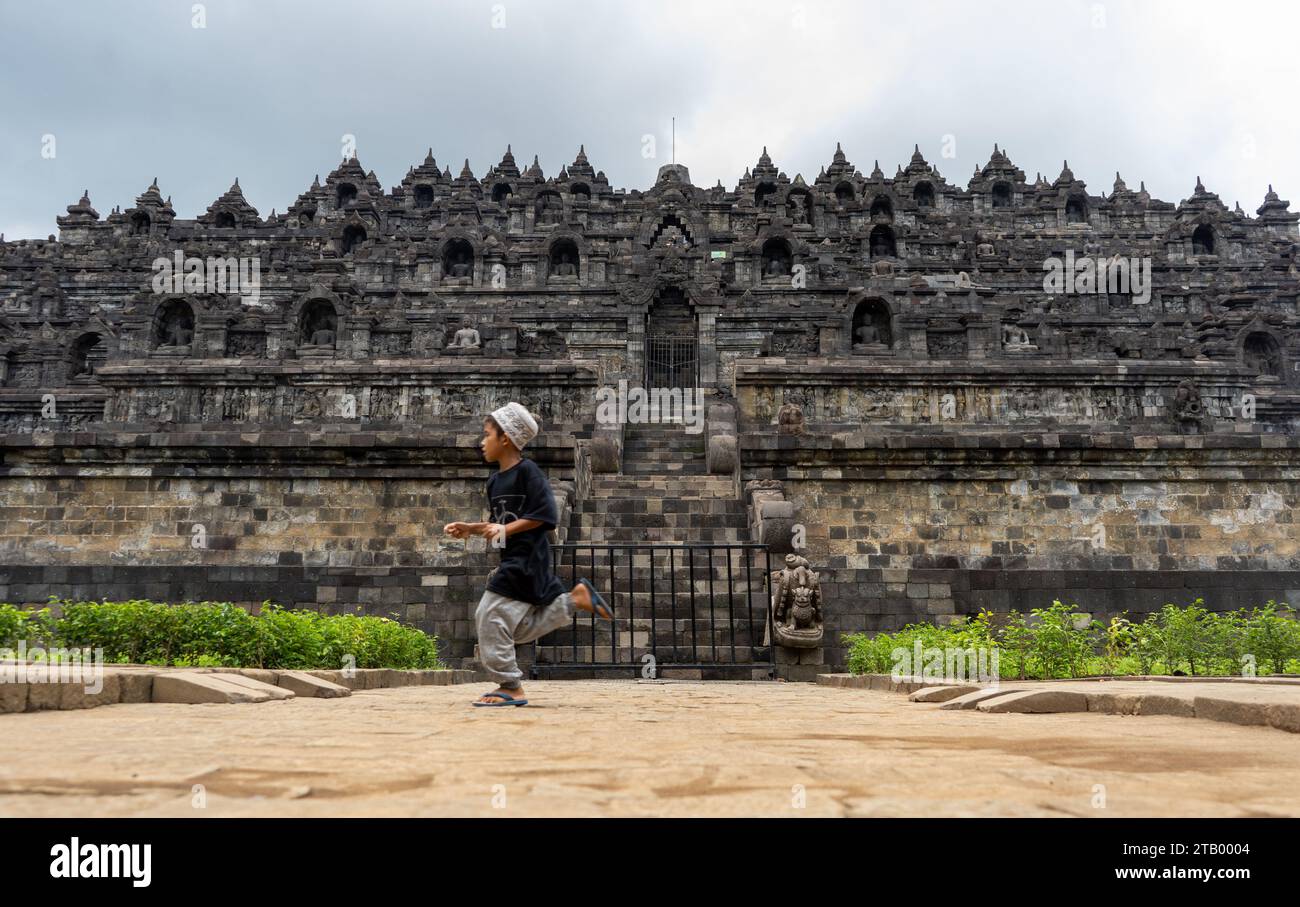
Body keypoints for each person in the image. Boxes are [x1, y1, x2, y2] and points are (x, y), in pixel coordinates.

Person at [444, 401, 612, 707]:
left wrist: (507, 531)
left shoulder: (528, 472)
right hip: (510, 559)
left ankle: (510, 685)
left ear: (505, 439)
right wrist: (471, 528)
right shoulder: (495, 481)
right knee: (513, 627)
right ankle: (575, 599)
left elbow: (546, 515)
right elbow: (500, 522)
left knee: (488, 614)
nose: (482, 442)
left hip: (528, 559)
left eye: (487, 435)